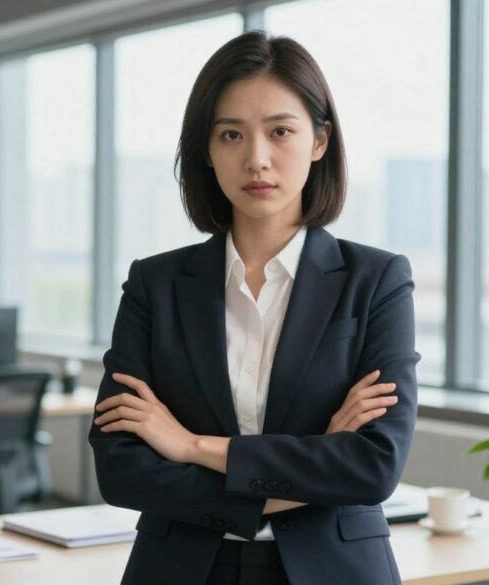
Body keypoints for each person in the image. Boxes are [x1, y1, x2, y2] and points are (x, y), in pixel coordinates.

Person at [90, 31, 419, 585]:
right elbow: (121, 470)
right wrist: (312, 465)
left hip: (333, 570)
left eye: (281, 131)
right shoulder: (156, 283)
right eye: (231, 134)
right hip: (180, 569)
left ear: (319, 141)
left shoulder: (376, 280)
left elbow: (373, 467)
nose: (257, 159)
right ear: (208, 150)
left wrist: (193, 446)